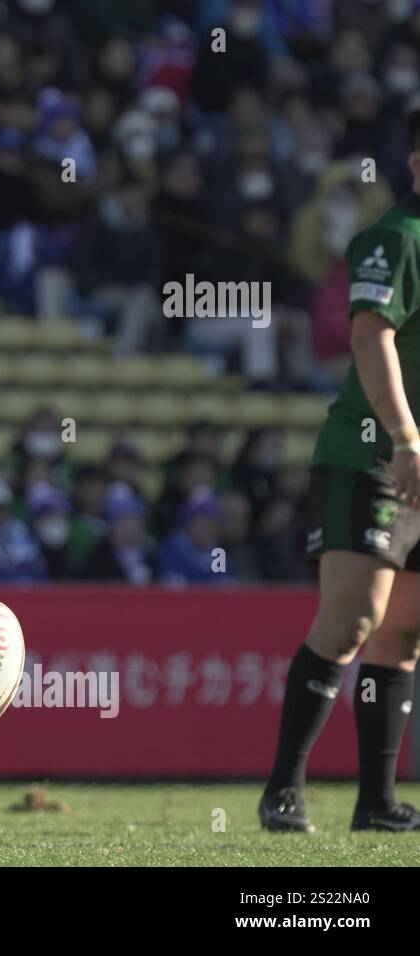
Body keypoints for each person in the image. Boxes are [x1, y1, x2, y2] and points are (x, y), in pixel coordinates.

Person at [259, 108, 420, 834]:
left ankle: (376, 803)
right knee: (353, 619)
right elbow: (368, 337)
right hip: (374, 453)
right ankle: (283, 792)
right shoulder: (394, 238)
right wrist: (405, 436)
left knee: (405, 635)